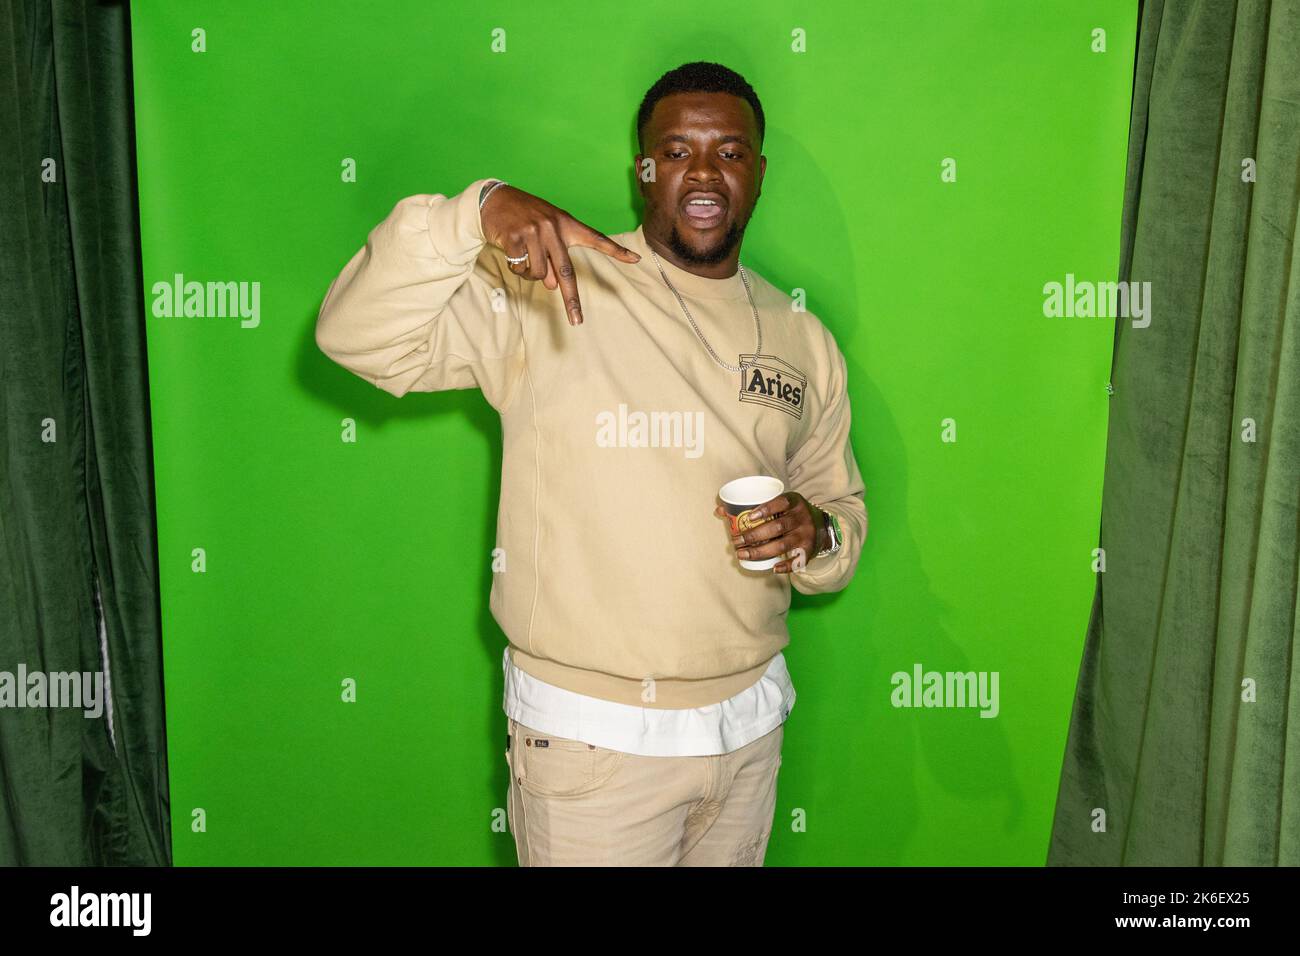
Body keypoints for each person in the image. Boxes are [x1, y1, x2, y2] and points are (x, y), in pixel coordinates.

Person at [314, 61, 868, 866]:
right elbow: (353, 336)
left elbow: (840, 516)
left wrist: (816, 534)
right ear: (642, 168)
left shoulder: (802, 335)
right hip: (594, 743)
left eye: (729, 152)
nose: (703, 172)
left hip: (749, 731)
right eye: (676, 152)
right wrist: (474, 211)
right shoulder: (550, 283)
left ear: (757, 170)